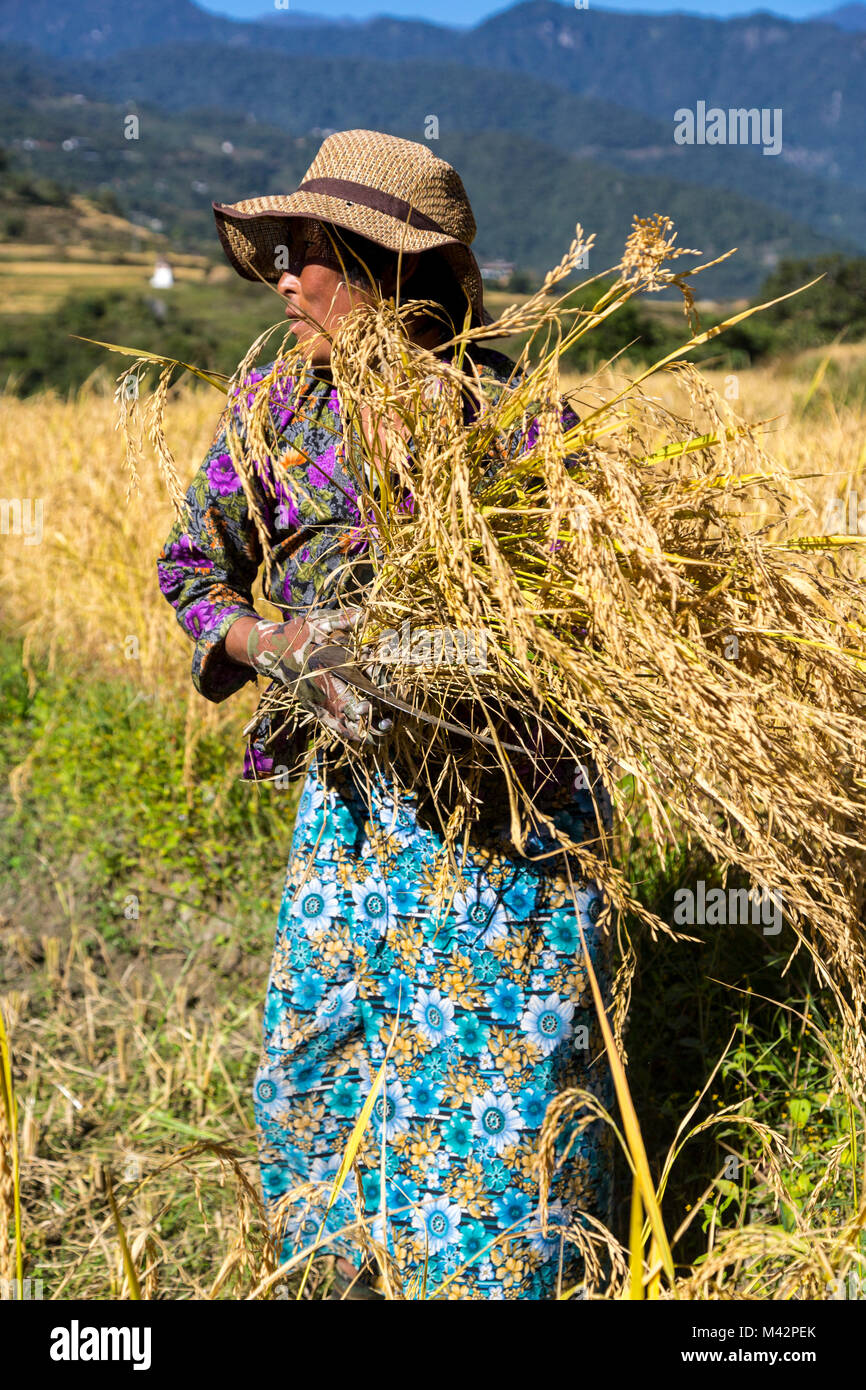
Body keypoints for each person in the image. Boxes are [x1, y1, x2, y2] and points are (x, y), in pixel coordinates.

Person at [157, 129, 614, 1301]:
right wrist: (271, 644)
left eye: (310, 251)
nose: (283, 276)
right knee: (317, 1074)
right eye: (282, 248)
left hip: (498, 820)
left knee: (487, 1128)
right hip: (350, 814)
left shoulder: (511, 431)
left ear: (386, 269)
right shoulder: (272, 407)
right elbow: (190, 570)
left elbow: (573, 646)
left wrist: (406, 656)